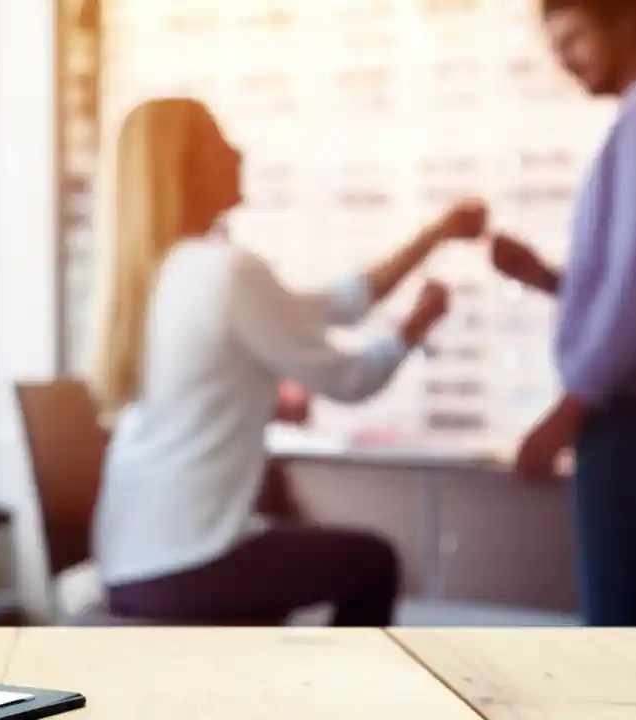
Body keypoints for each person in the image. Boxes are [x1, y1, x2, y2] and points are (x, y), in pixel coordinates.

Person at [87, 97, 487, 626]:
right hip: (188, 563)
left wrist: (434, 236)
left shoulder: (156, 278)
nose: (237, 152)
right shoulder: (225, 272)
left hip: (128, 568)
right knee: (373, 564)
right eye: (217, 144)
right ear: (184, 171)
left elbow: (341, 303)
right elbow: (349, 379)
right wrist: (416, 325)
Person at [487, 0, 636, 626]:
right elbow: (635, 281)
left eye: (574, 38)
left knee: (623, 626)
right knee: (633, 619)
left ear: (624, 24)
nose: (564, 59)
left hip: (632, 416)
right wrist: (543, 277)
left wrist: (567, 410)